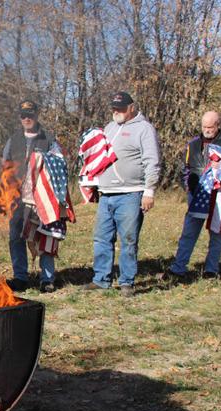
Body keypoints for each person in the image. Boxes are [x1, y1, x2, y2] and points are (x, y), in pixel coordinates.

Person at [83, 91, 160, 297]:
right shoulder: (109, 128)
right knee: (101, 237)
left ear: (132, 107)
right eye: (114, 108)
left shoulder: (144, 129)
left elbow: (151, 161)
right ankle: (101, 279)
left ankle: (127, 282)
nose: (116, 111)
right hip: (107, 194)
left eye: (121, 108)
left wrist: (149, 191)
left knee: (128, 239)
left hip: (131, 193)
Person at [166, 111, 221, 280]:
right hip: (196, 195)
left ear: (218, 125)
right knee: (189, 232)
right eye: (204, 127)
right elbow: (185, 168)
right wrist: (188, 186)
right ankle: (178, 268)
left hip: (219, 196)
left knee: (216, 233)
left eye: (210, 127)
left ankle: (211, 270)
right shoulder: (193, 144)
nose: (207, 130)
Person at [3, 99, 64, 293]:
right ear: (19, 117)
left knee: (45, 236)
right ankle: (21, 277)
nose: (27, 118)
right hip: (18, 197)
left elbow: (60, 167)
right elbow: (5, 169)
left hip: (42, 198)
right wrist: (3, 197)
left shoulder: (49, 139)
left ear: (37, 115)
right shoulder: (13, 140)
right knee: (16, 237)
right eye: (23, 115)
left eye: (30, 115)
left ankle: (47, 279)